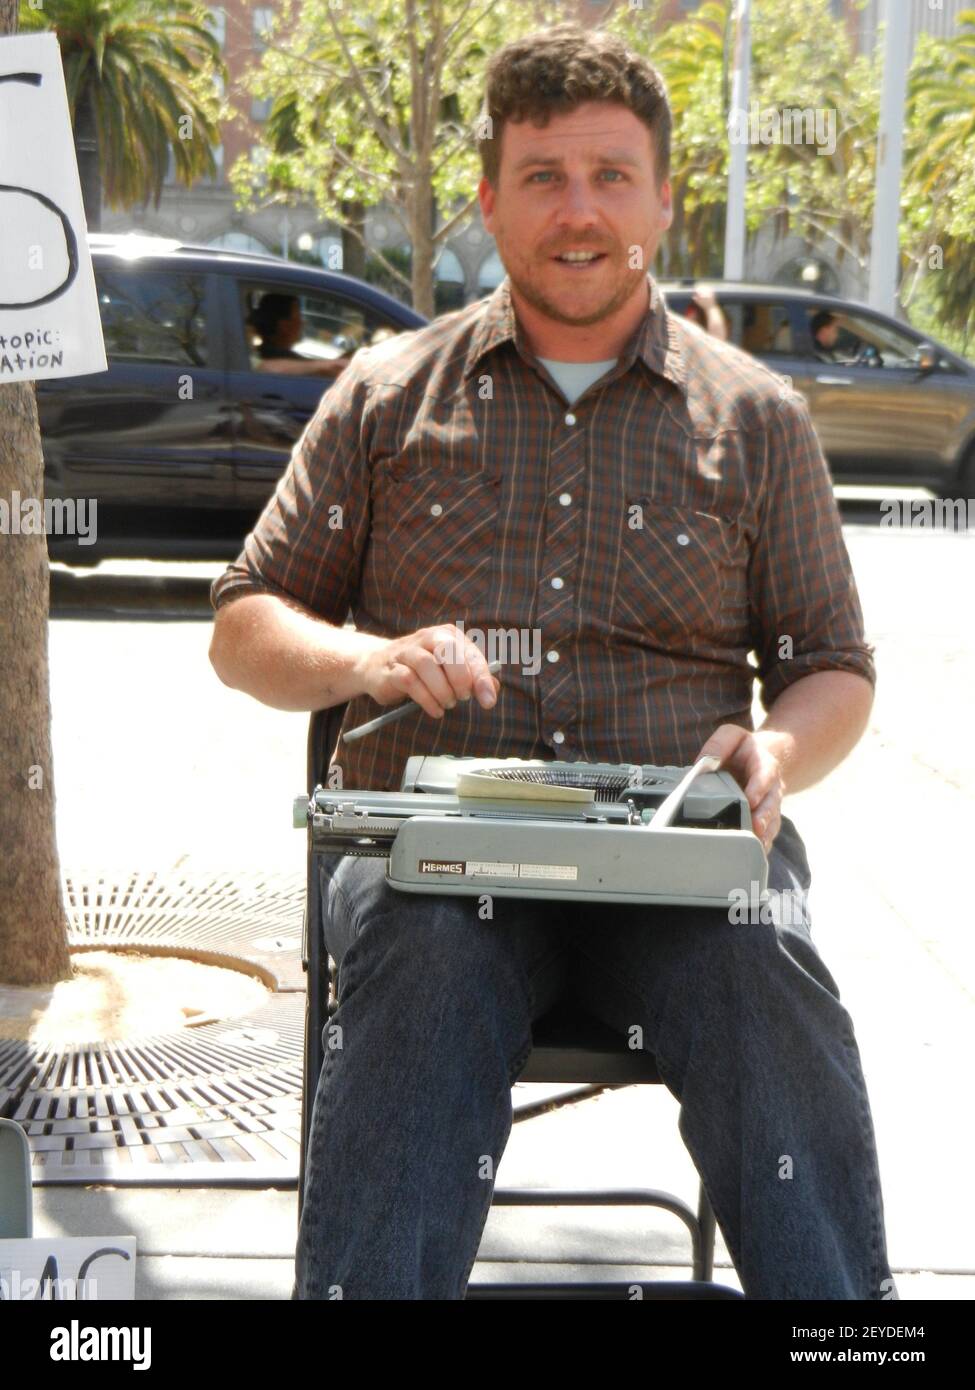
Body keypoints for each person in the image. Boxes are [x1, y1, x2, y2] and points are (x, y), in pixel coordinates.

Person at [209, 23, 897, 1302]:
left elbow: (834, 664)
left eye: (611, 177)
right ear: (489, 198)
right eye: (542, 177)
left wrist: (779, 748)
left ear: (662, 198)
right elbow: (245, 621)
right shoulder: (384, 394)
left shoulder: (758, 420)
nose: (579, 212)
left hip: (684, 864)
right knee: (424, 969)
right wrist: (369, 656)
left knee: (769, 974)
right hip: (439, 857)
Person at [248, 292, 351, 378]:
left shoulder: (272, 353)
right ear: (284, 325)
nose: (303, 322)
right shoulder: (277, 359)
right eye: (298, 316)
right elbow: (318, 368)